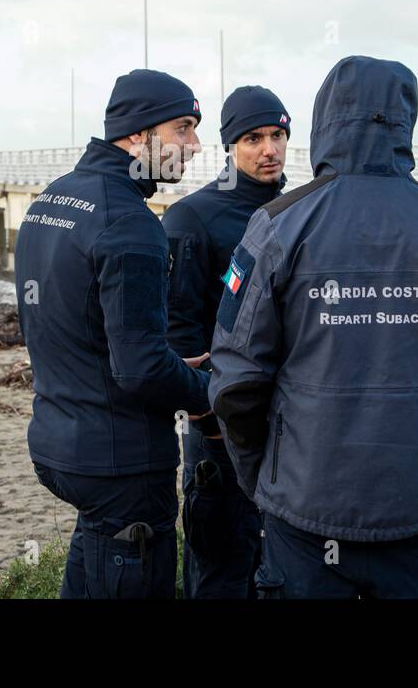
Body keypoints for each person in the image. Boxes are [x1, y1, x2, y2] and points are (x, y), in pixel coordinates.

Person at [208, 56, 418, 598]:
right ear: (405, 122)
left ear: (324, 122)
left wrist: (265, 480)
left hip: (304, 513)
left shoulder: (279, 224)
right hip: (415, 511)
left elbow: (236, 380)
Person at [14, 68, 212, 598]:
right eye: (183, 129)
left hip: (58, 442)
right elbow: (140, 368)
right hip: (119, 461)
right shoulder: (130, 223)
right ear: (136, 134)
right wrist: (208, 395)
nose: (195, 146)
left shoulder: (53, 199)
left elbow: (88, 326)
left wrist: (168, 363)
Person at [163, 85, 292, 598]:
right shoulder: (192, 217)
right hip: (219, 431)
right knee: (220, 570)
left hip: (289, 430)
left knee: (281, 569)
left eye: (278, 135)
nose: (269, 149)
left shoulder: (301, 209)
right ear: (229, 146)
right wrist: (207, 422)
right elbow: (178, 333)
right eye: (254, 137)